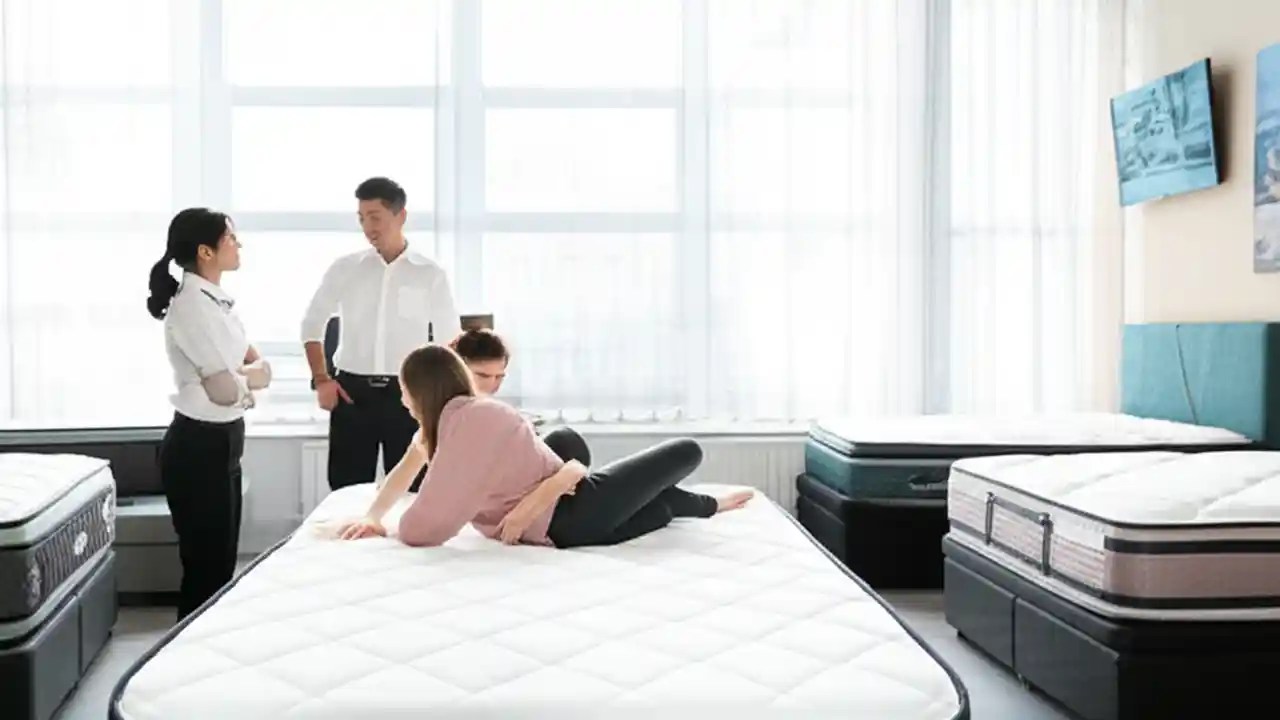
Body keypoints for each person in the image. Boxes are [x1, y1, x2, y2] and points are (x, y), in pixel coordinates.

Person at [335, 345, 753, 548]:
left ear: (423, 392)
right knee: (684, 456)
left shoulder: (467, 423)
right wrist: (374, 517)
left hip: (565, 513)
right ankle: (705, 505)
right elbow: (405, 478)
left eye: (405, 391)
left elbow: (425, 524)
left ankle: (693, 504)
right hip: (573, 518)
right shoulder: (456, 422)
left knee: (581, 449)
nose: (402, 400)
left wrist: (544, 493)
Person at [147, 208, 270, 620]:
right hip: (198, 445)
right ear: (205, 251)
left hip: (225, 440)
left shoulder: (218, 302)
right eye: (230, 238)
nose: (239, 244)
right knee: (205, 570)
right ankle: (183, 653)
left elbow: (254, 368)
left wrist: (241, 378)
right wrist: (246, 379)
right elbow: (224, 390)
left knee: (221, 567)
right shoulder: (191, 308)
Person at [300, 177, 460, 492]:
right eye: (361, 218)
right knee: (346, 487)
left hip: (409, 395)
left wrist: (441, 401)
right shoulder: (345, 268)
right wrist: (321, 379)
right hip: (351, 394)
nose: (367, 227)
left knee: (413, 488)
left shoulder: (430, 273)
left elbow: (448, 341)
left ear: (401, 216)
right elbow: (312, 324)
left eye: (375, 217)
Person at [449, 327, 591, 467]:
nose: (492, 384)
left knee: (566, 440)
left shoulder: (485, 407)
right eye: (483, 376)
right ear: (459, 370)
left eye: (499, 377)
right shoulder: (454, 408)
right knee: (567, 443)